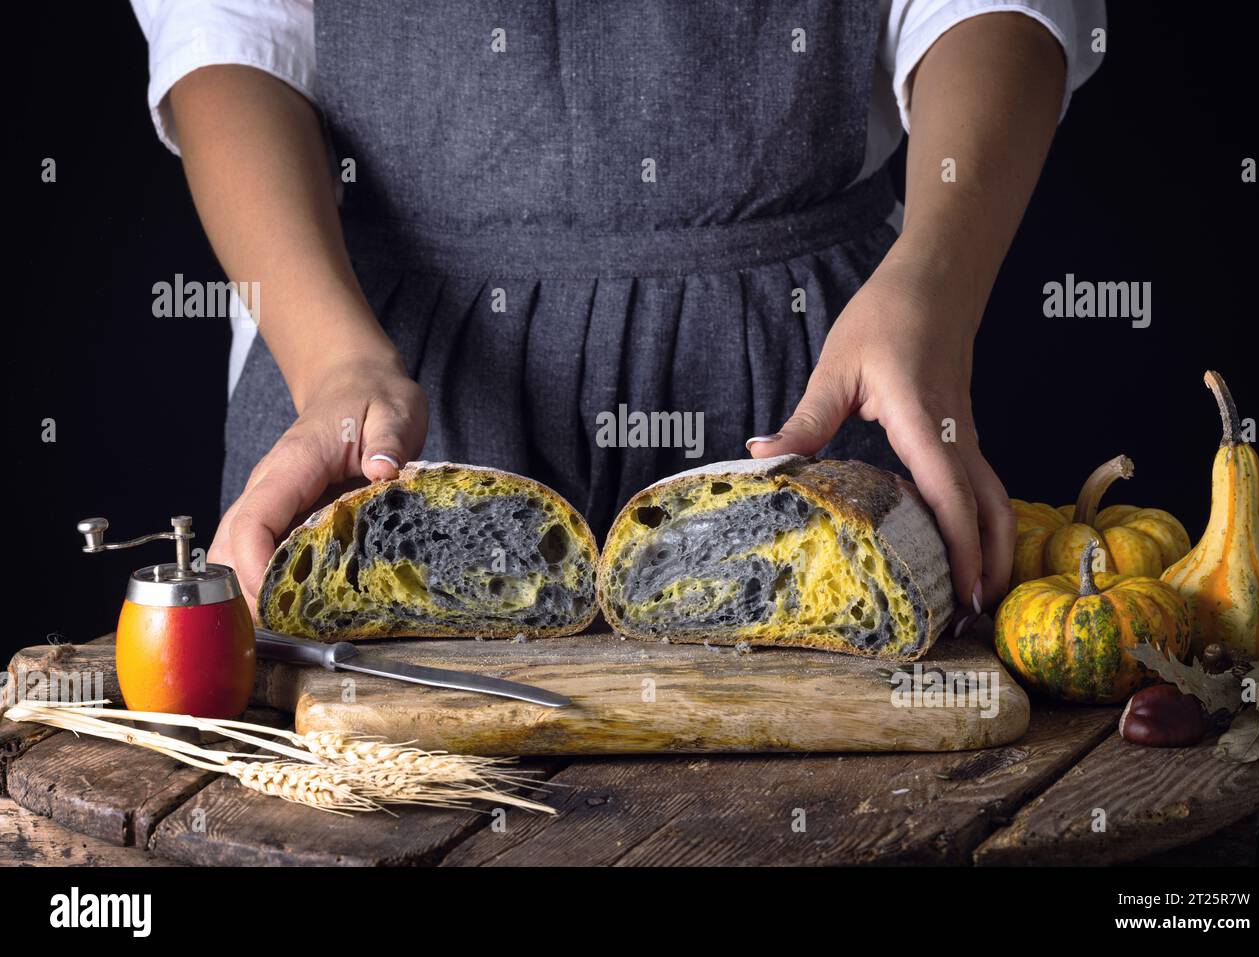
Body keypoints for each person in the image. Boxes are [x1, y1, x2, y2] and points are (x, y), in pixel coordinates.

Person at [131, 1, 1105, 631]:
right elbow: (222, 39)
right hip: (376, 375)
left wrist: (935, 282)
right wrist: (330, 363)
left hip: (813, 376)